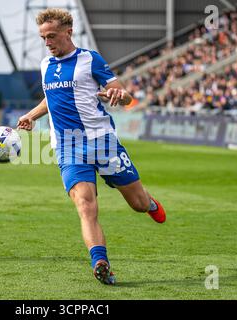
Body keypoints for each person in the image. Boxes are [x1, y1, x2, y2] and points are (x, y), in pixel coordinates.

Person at [17, 9, 166, 285]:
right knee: (86, 206)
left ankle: (150, 202)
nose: (47, 42)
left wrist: (120, 95)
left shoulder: (90, 60)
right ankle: (100, 262)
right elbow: (52, 99)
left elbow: (124, 96)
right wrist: (30, 115)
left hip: (103, 142)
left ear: (68, 32)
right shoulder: (45, 65)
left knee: (137, 203)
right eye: (43, 37)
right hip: (68, 147)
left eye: (51, 36)